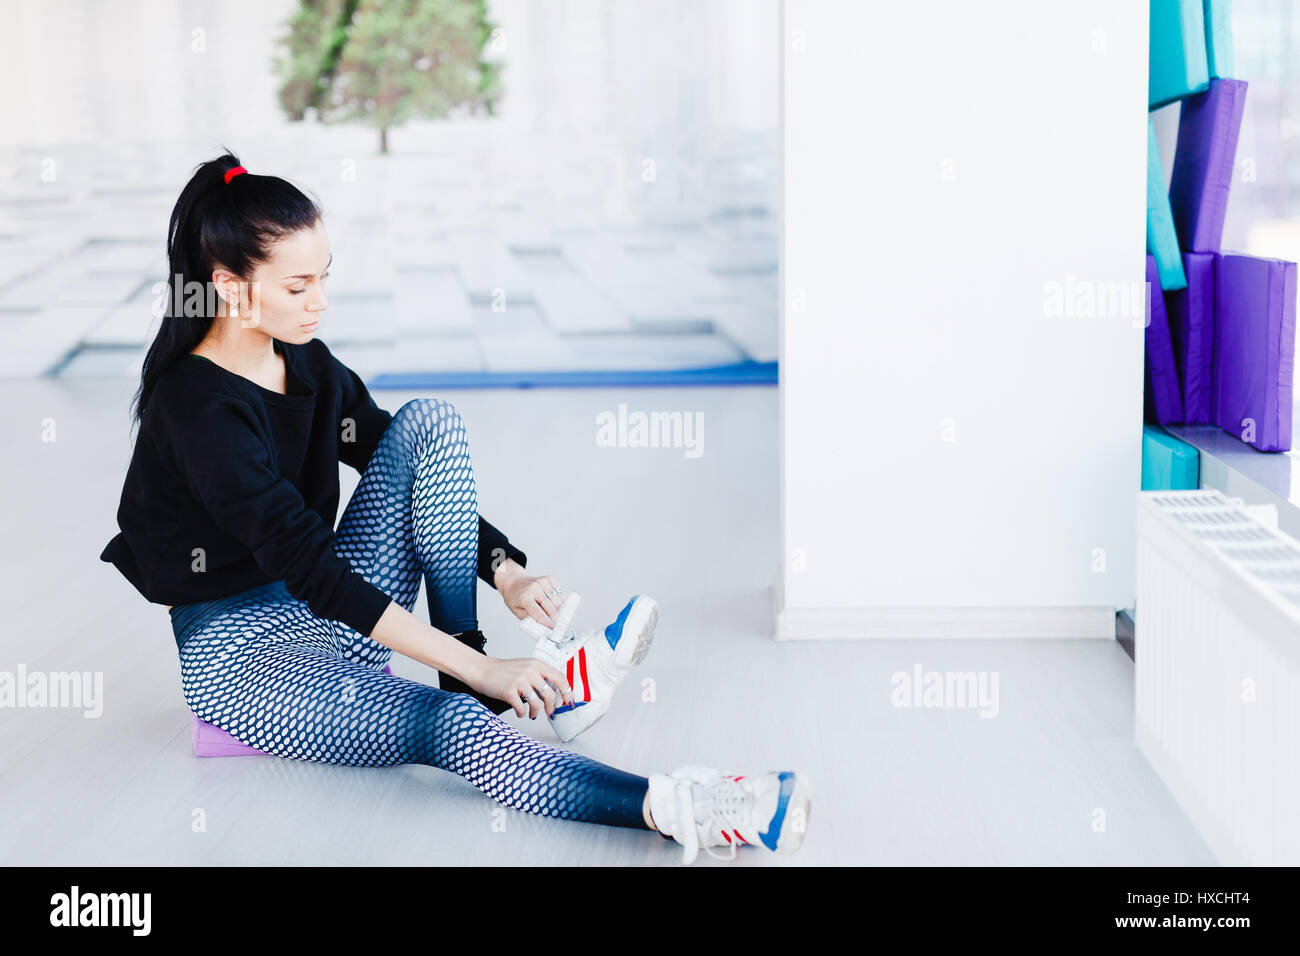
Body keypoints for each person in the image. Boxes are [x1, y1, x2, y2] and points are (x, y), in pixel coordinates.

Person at [99, 151, 810, 864]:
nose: (320, 301)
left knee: (428, 421)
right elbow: (311, 567)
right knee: (446, 726)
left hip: (327, 611)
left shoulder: (304, 360)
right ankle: (674, 806)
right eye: (298, 285)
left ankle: (466, 662)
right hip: (246, 661)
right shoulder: (195, 405)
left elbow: (393, 454)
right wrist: (485, 676)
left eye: (325, 277)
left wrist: (504, 571)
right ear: (231, 288)